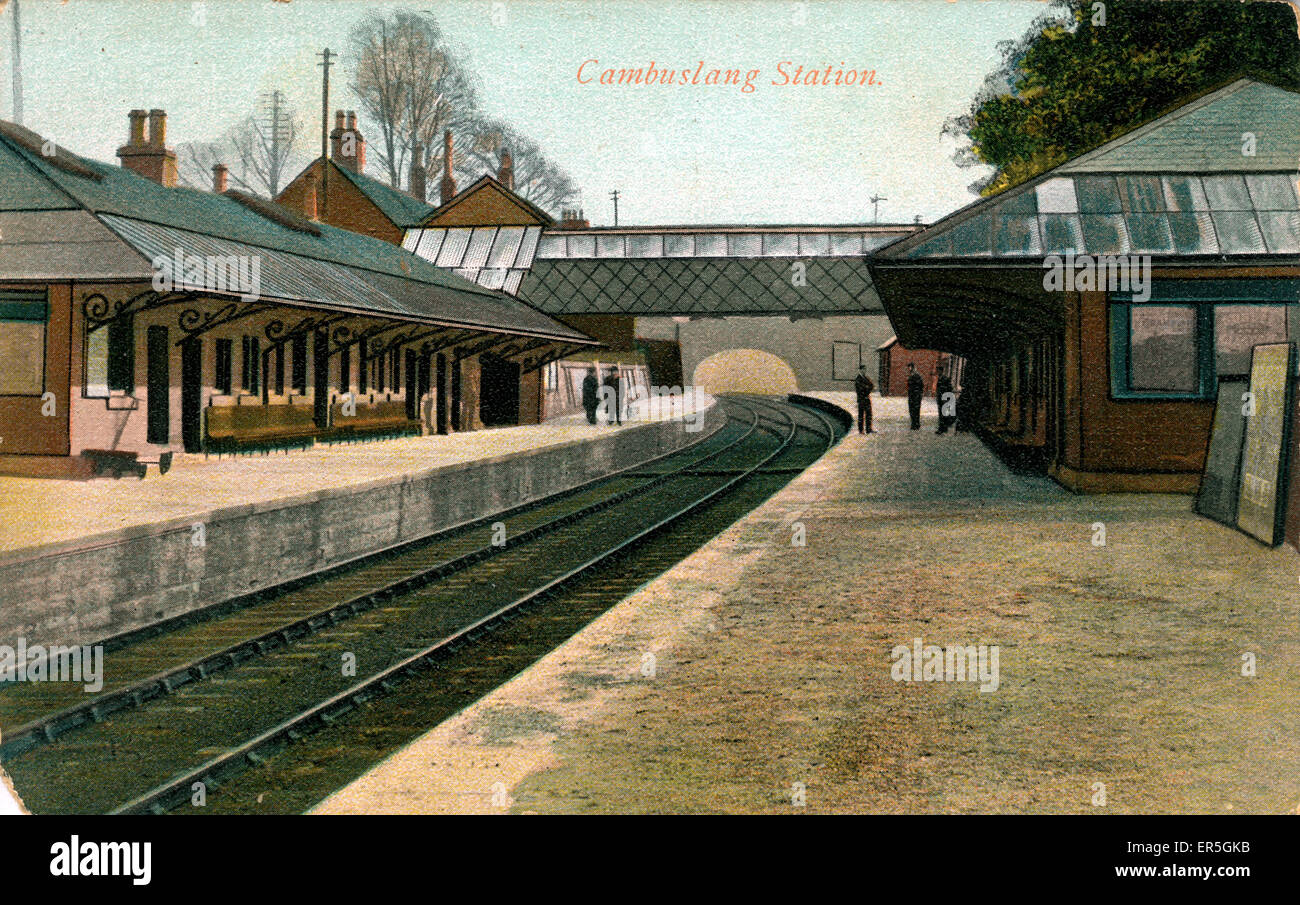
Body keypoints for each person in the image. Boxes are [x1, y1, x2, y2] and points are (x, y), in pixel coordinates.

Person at [853, 365, 875, 434]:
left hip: (866, 398)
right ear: (860, 370)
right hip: (861, 399)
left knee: (869, 414)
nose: (864, 371)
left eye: (865, 369)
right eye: (863, 369)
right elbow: (861, 389)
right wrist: (867, 388)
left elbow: (871, 385)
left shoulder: (866, 378)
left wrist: (866, 388)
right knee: (861, 415)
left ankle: (869, 429)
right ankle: (861, 430)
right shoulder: (858, 379)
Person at [935, 368, 956, 434]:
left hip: (944, 399)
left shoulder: (945, 378)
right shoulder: (940, 378)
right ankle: (942, 428)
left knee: (944, 414)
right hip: (940, 399)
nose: (938, 372)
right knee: (941, 414)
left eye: (938, 371)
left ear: (941, 371)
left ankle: (942, 428)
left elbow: (949, 388)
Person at [906, 362, 924, 430]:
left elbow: (920, 386)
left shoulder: (916, 375)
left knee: (915, 411)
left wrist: (917, 394)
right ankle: (914, 424)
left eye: (910, 367)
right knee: (913, 411)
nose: (909, 369)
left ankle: (915, 424)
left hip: (915, 396)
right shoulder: (912, 375)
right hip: (913, 396)